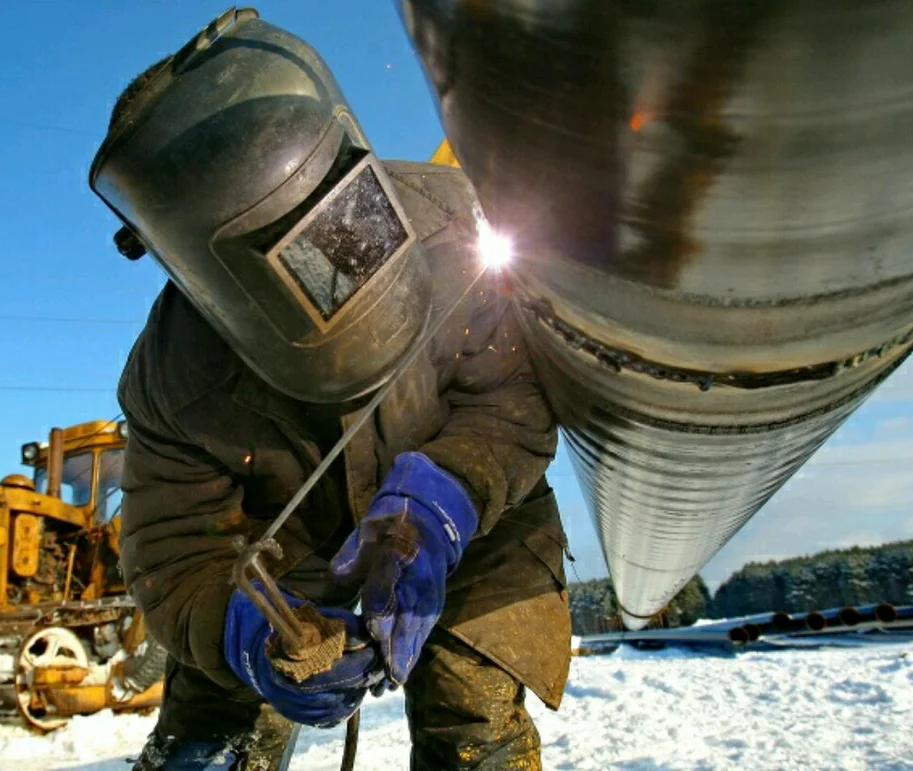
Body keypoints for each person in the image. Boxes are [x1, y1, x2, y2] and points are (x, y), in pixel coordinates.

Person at [89, 9, 572, 770]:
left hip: (479, 531)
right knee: (211, 737)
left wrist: (447, 492)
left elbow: (517, 398)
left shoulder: (455, 230)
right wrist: (241, 636)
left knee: (470, 724)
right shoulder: (174, 375)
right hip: (289, 568)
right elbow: (176, 553)